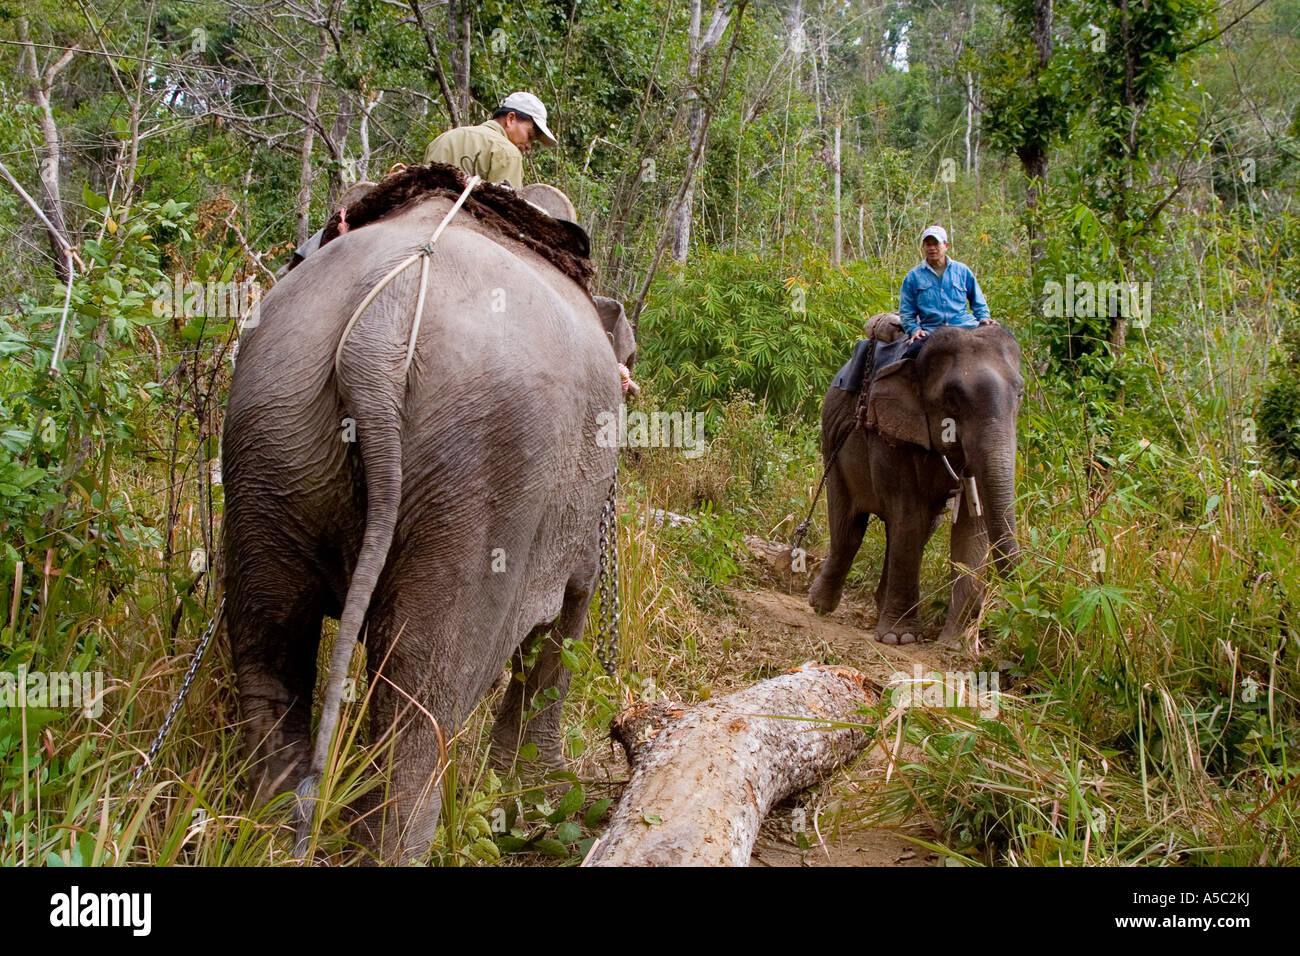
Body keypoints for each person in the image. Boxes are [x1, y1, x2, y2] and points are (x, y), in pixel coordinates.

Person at [423, 91, 558, 189]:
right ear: (510, 119)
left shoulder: (442, 139)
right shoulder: (508, 153)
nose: (529, 146)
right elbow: (508, 213)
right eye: (529, 136)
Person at [899, 225, 996, 344]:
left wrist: (983, 317)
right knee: (910, 354)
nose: (932, 248)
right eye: (928, 244)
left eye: (936, 244)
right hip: (931, 331)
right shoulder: (913, 277)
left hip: (965, 327)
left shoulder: (962, 271)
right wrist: (914, 329)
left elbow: (978, 302)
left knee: (997, 345)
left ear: (946, 246)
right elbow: (906, 311)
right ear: (923, 247)